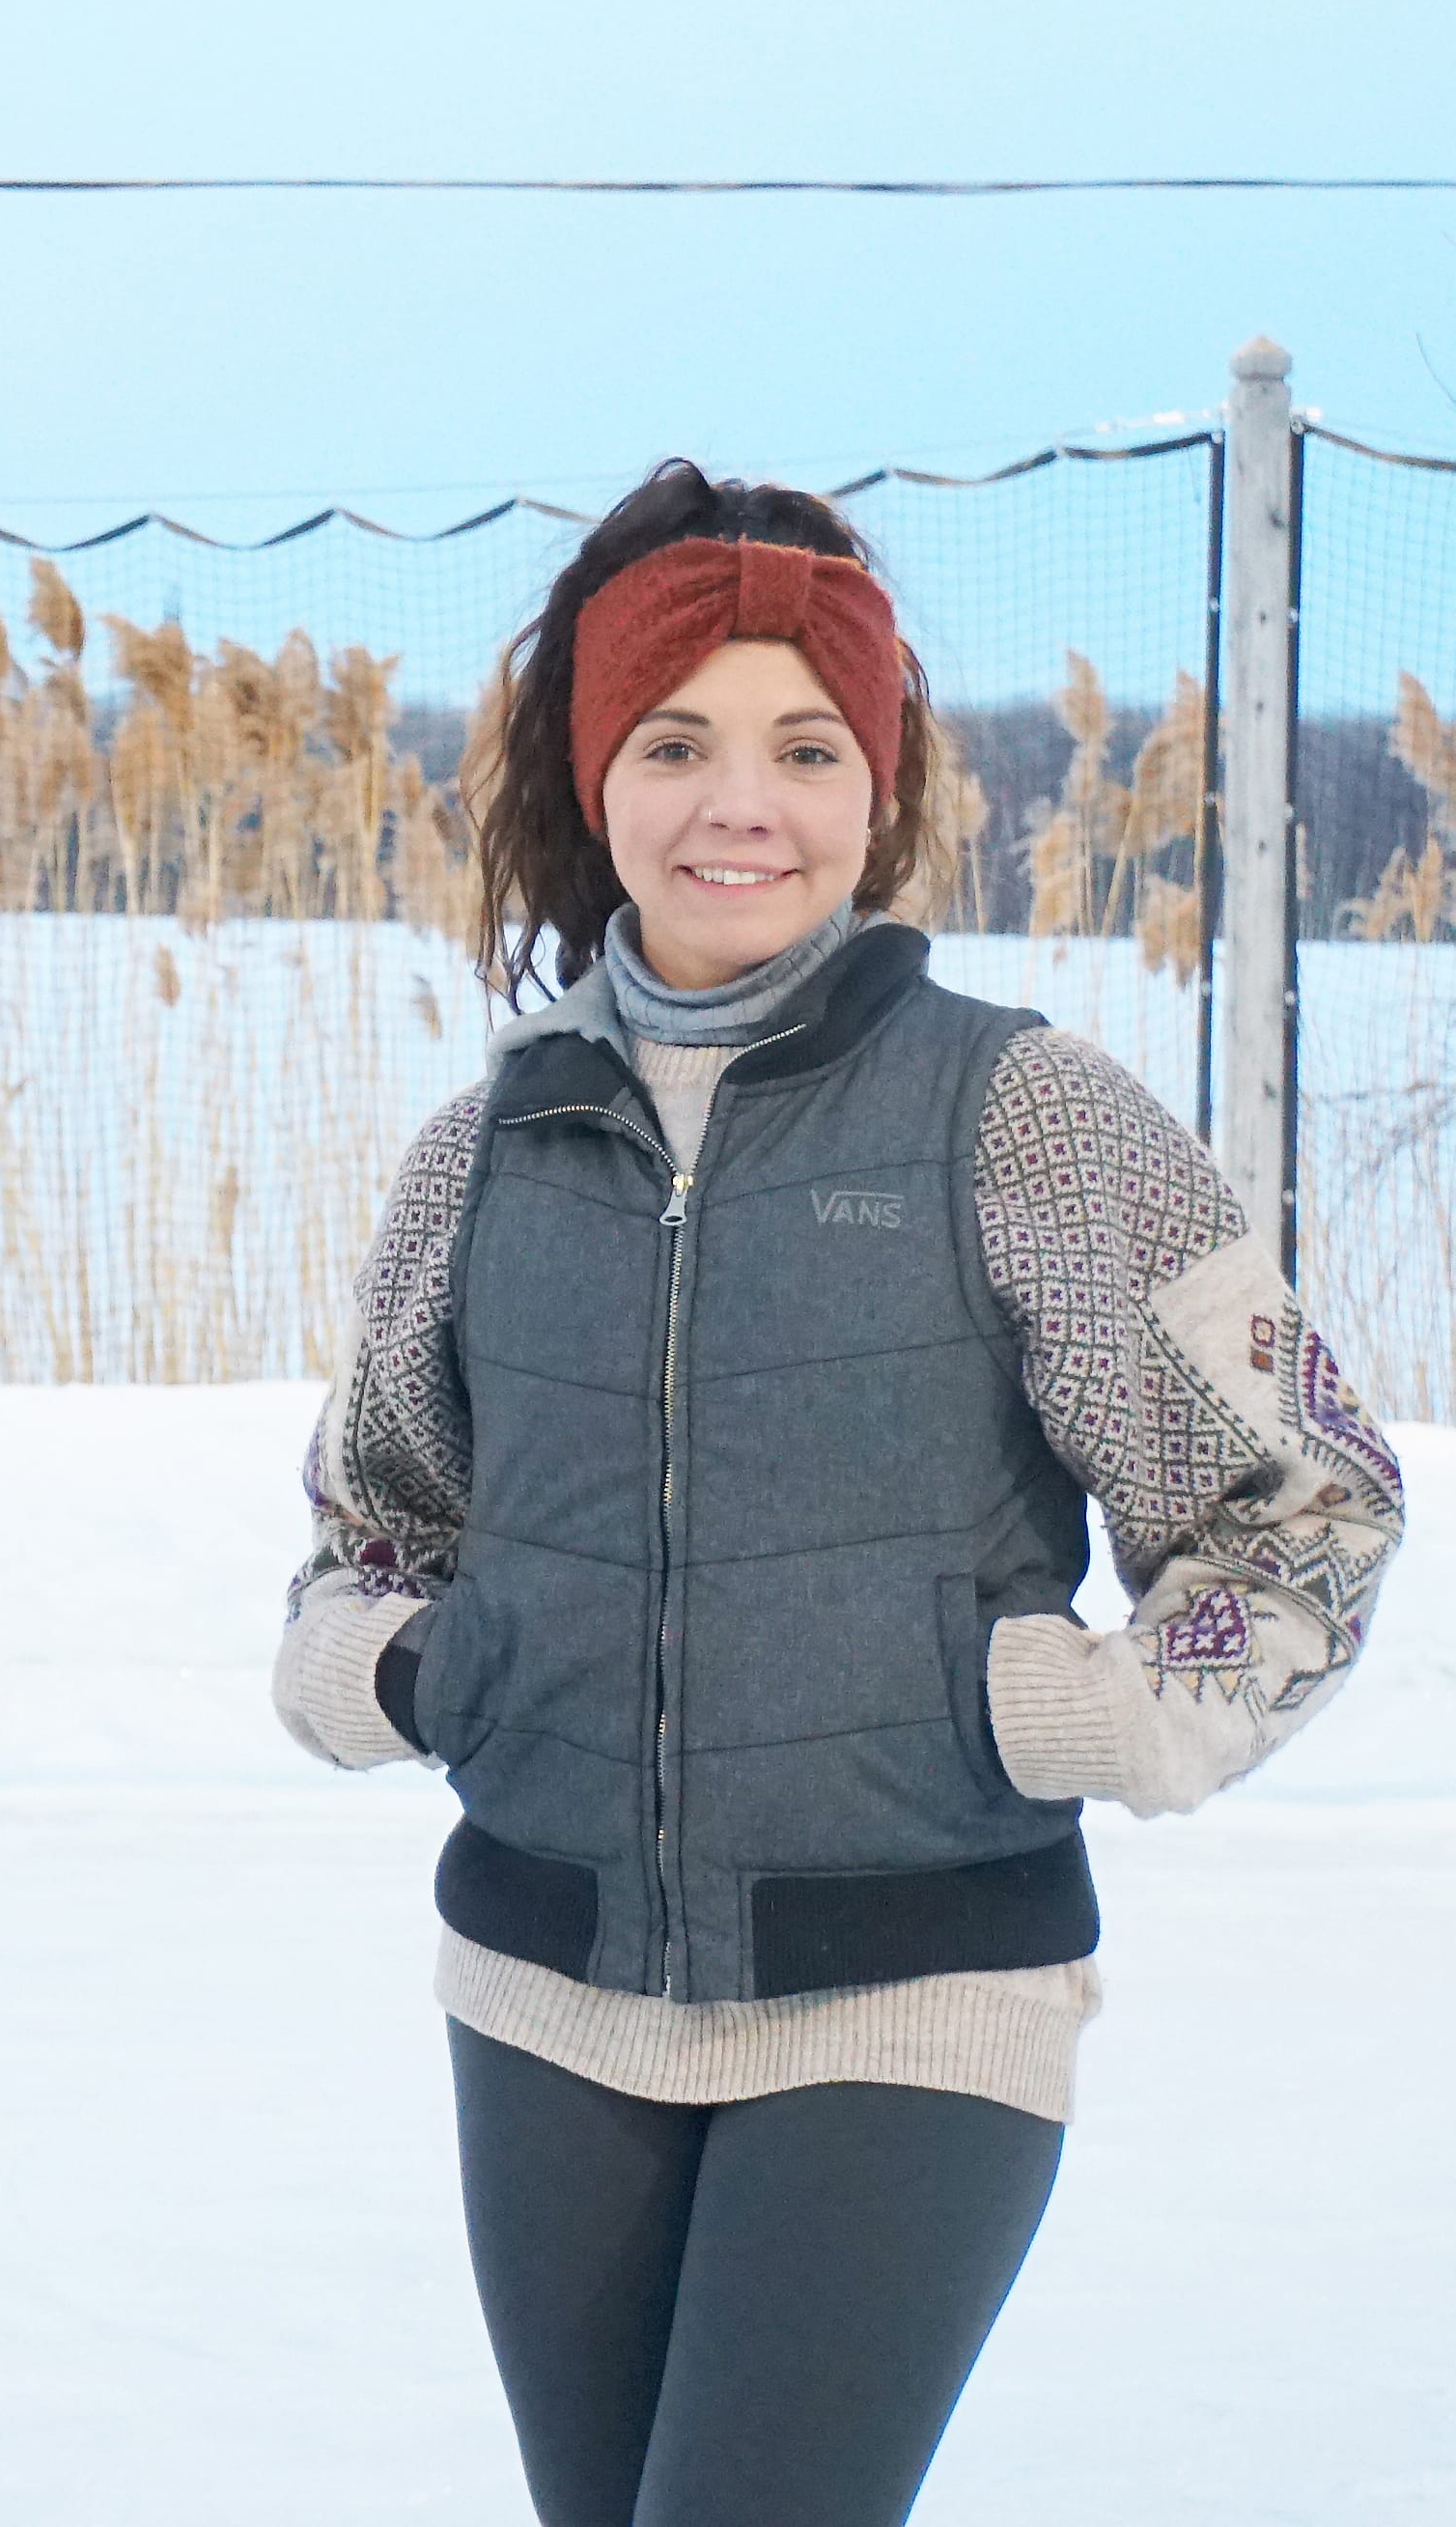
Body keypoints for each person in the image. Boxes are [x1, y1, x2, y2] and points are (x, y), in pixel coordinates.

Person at [273, 460, 1404, 2527]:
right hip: (539, 1991)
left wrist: (1094, 1707)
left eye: (806, 746)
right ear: (592, 775)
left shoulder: (1031, 1118)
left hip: (914, 1989)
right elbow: (376, 1511)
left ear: (874, 789)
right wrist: (409, 1665)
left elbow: (1310, 1501)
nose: (743, 803)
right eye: (677, 740)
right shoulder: (481, 1150)